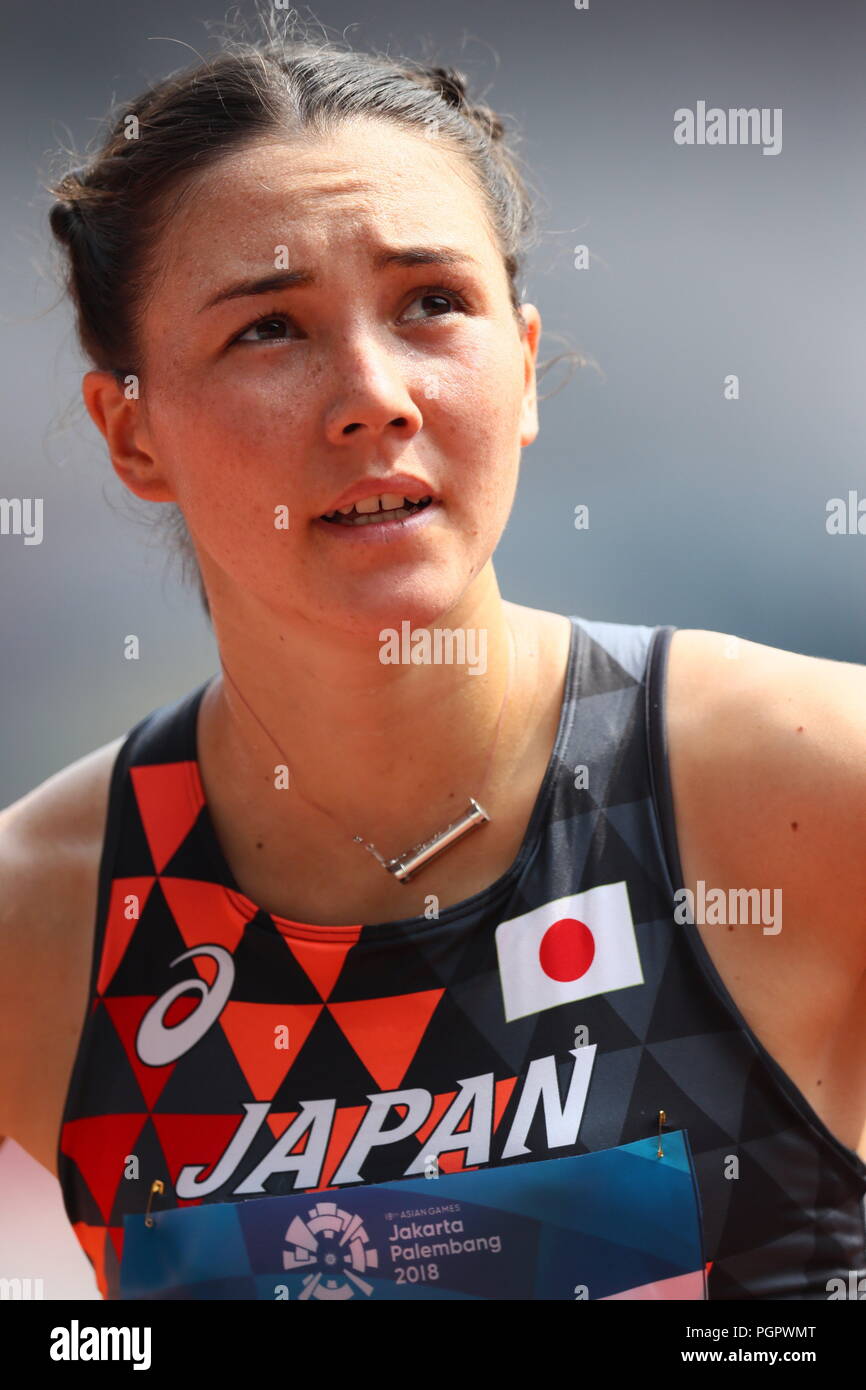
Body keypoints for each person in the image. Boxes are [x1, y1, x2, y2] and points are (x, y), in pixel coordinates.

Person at [1, 12, 864, 1301]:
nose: (374, 395)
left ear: (519, 368)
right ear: (131, 434)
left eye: (430, 304)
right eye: (268, 330)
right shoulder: (43, 926)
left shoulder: (807, 790)